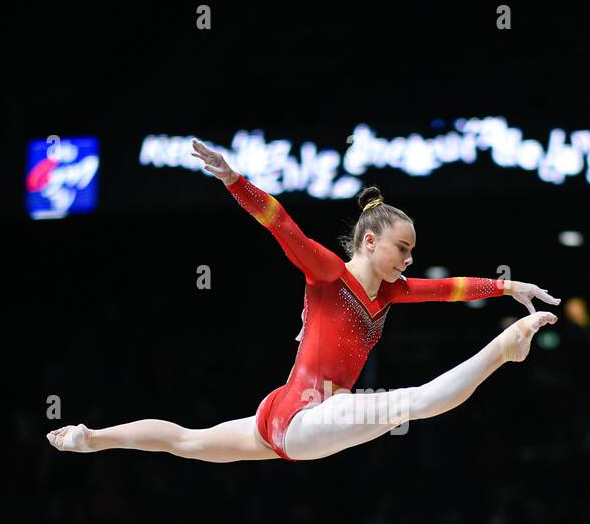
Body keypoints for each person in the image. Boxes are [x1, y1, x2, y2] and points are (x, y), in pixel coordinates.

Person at [46, 138, 558, 462]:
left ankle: (92, 437)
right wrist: (233, 181)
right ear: (370, 241)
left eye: (413, 251)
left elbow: (450, 289)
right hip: (305, 418)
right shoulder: (329, 274)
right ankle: (505, 348)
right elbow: (282, 226)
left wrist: (509, 287)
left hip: (284, 417)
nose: (408, 260)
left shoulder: (392, 294)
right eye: (403, 248)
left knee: (187, 441)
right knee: (413, 403)